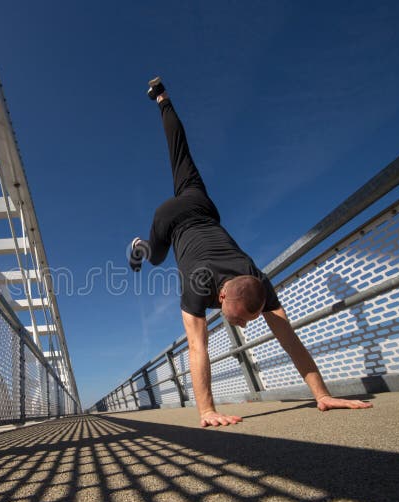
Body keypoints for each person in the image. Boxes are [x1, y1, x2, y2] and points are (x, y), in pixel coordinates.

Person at [129, 77, 372, 428]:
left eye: (246, 320)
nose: (243, 325)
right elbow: (198, 348)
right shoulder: (200, 285)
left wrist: (322, 395)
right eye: (242, 319)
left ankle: (162, 98)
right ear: (222, 293)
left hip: (197, 202)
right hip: (171, 219)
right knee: (156, 258)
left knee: (179, 152)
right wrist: (206, 410)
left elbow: (289, 338)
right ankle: (142, 247)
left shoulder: (258, 282)